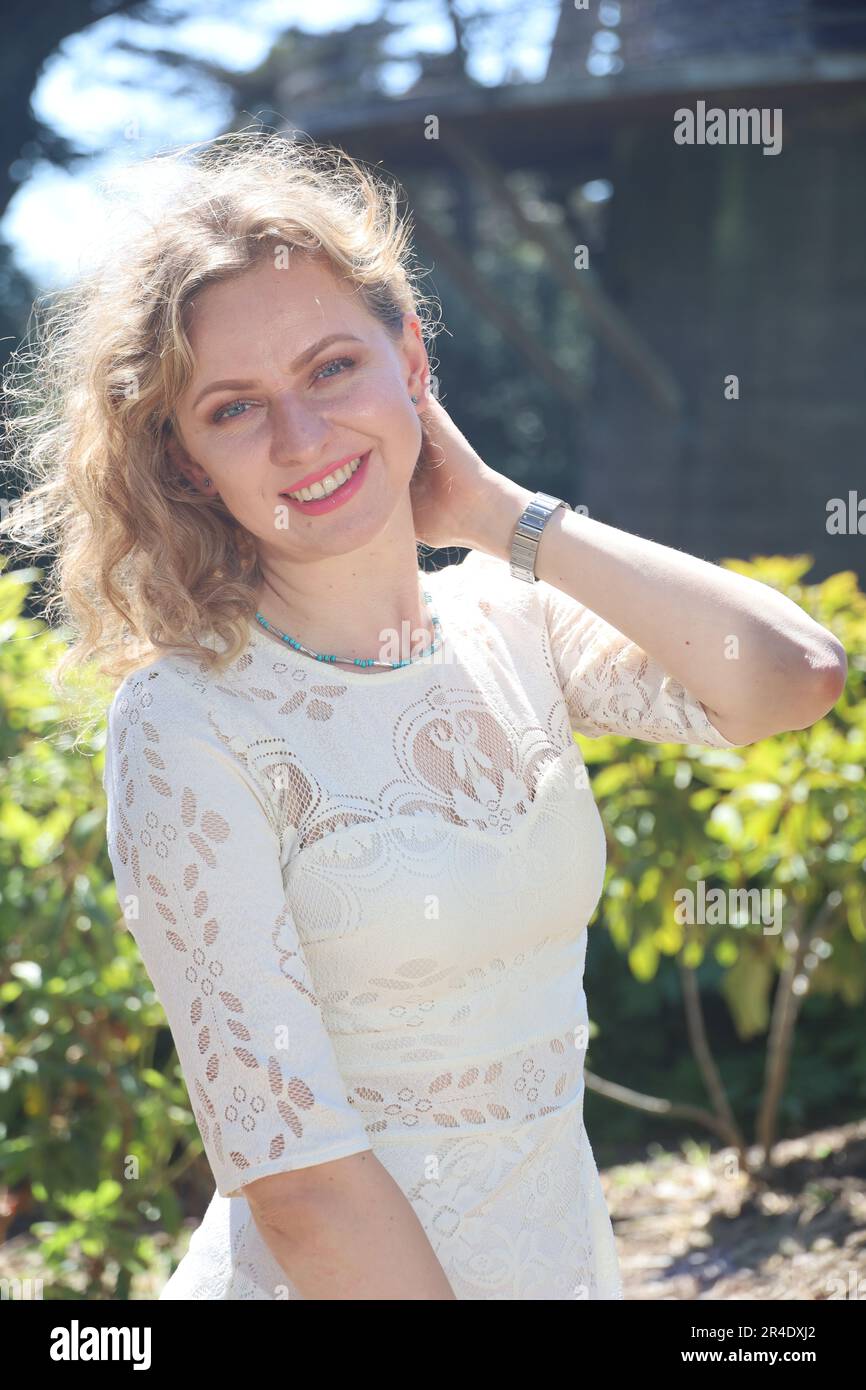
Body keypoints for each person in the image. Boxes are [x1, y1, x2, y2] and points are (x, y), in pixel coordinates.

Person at [2, 130, 846, 1300]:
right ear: (187, 463)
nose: (302, 441)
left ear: (411, 357)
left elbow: (786, 676)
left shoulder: (516, 621)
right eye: (235, 409)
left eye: (333, 368)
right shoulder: (185, 723)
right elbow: (297, 1180)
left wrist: (503, 512)